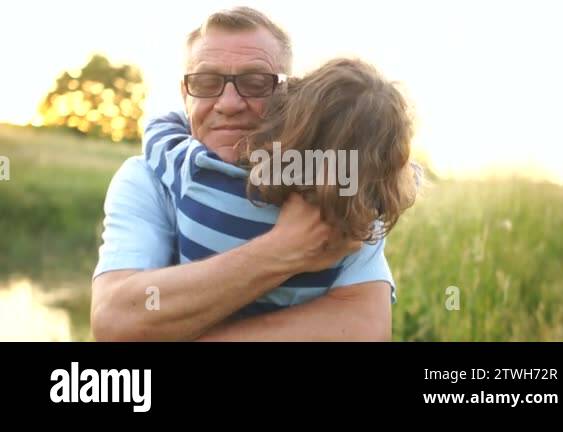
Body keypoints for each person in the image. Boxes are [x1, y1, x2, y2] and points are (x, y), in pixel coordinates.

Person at [91, 7, 413, 341]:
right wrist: (283, 250)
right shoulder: (148, 178)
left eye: (255, 83)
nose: (228, 103)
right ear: (185, 94)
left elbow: (363, 329)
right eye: (206, 82)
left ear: (289, 96)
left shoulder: (337, 182)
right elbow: (115, 321)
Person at [143, 58, 420, 320]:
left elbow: (158, 135)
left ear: (290, 116)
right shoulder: (358, 227)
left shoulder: (205, 178)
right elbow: (401, 178)